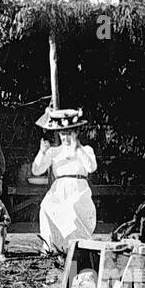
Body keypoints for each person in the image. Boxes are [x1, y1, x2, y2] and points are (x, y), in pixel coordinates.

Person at [31, 107, 98, 257]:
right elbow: (36, 170)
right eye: (63, 134)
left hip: (78, 188)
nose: (65, 138)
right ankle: (51, 246)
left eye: (69, 134)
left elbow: (91, 167)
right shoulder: (54, 151)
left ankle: (78, 247)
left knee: (71, 209)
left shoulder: (86, 149)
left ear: (76, 133)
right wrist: (42, 152)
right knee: (47, 206)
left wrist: (78, 147)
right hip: (59, 188)